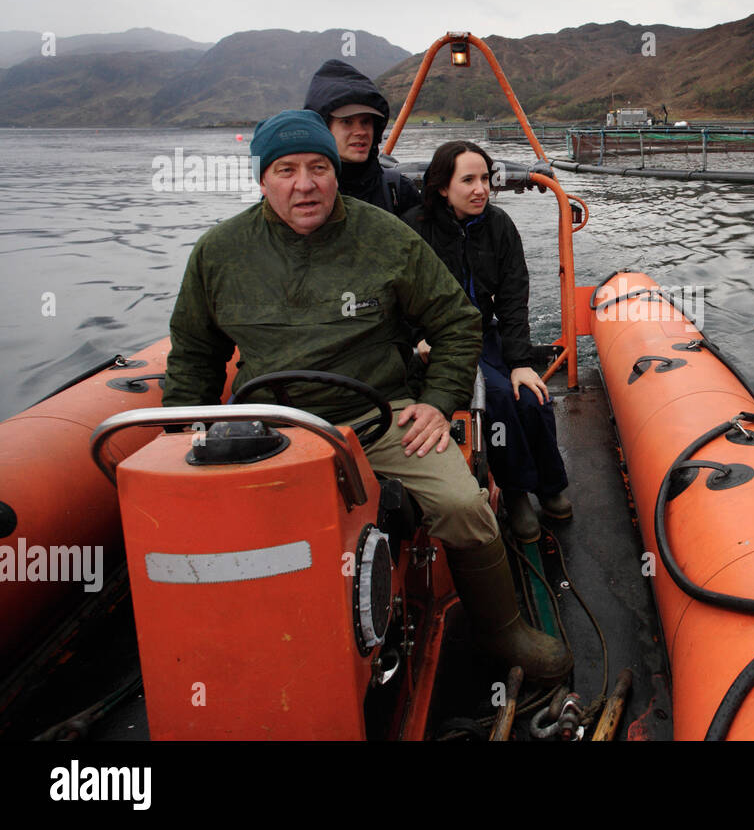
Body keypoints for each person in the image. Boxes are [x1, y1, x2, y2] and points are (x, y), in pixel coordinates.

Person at [162, 109, 571, 684]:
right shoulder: (219, 253)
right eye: (286, 169)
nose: (304, 184)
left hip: (380, 417)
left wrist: (435, 399)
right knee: (202, 524)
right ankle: (223, 643)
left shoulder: (385, 237)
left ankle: (501, 628)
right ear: (262, 179)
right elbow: (194, 357)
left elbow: (457, 322)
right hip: (267, 428)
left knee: (462, 506)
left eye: (317, 168)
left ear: (334, 173)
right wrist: (181, 437)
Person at [403, 140, 571, 544]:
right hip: (440, 340)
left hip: (486, 333)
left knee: (531, 394)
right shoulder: (413, 229)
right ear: (443, 186)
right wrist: (418, 340)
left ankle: (549, 484)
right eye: (469, 180)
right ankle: (514, 492)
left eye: (485, 179)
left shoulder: (499, 226)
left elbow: (514, 297)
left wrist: (520, 361)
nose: (481, 189)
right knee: (496, 397)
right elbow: (399, 294)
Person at [303, 59, 420, 215]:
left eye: (365, 122)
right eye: (347, 122)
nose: (360, 132)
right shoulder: (299, 194)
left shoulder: (399, 189)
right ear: (324, 128)